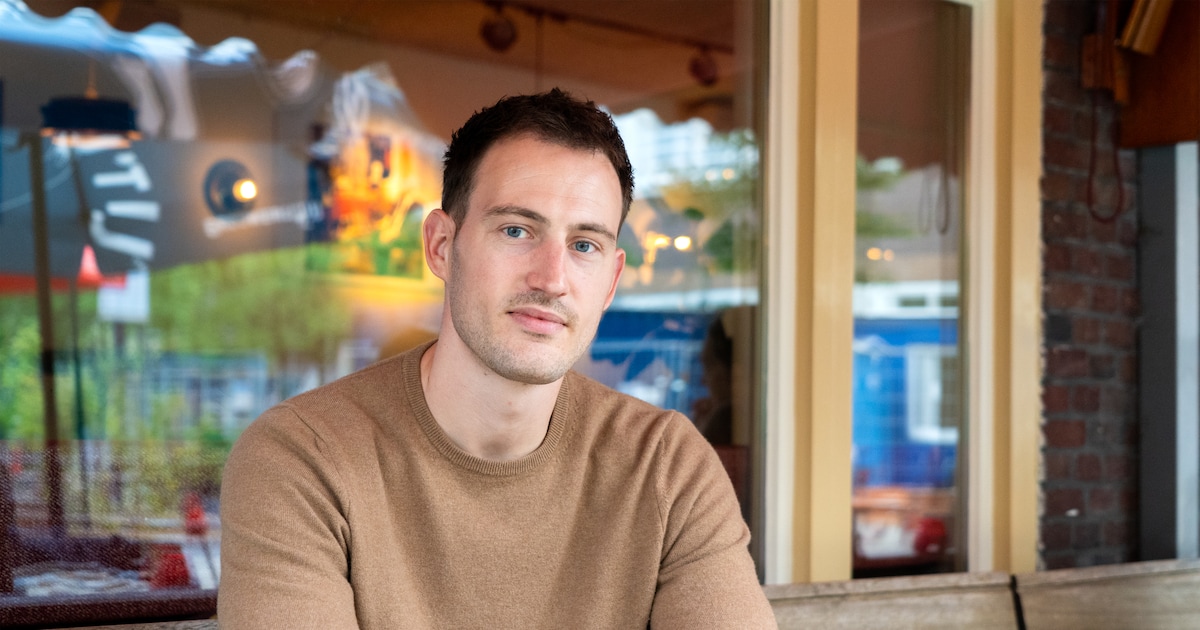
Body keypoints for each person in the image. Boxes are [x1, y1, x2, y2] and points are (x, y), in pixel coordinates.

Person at [218, 89, 776, 629]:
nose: (552, 278)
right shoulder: (304, 457)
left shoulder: (666, 465)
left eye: (585, 245)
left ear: (610, 281)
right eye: (516, 230)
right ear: (441, 246)